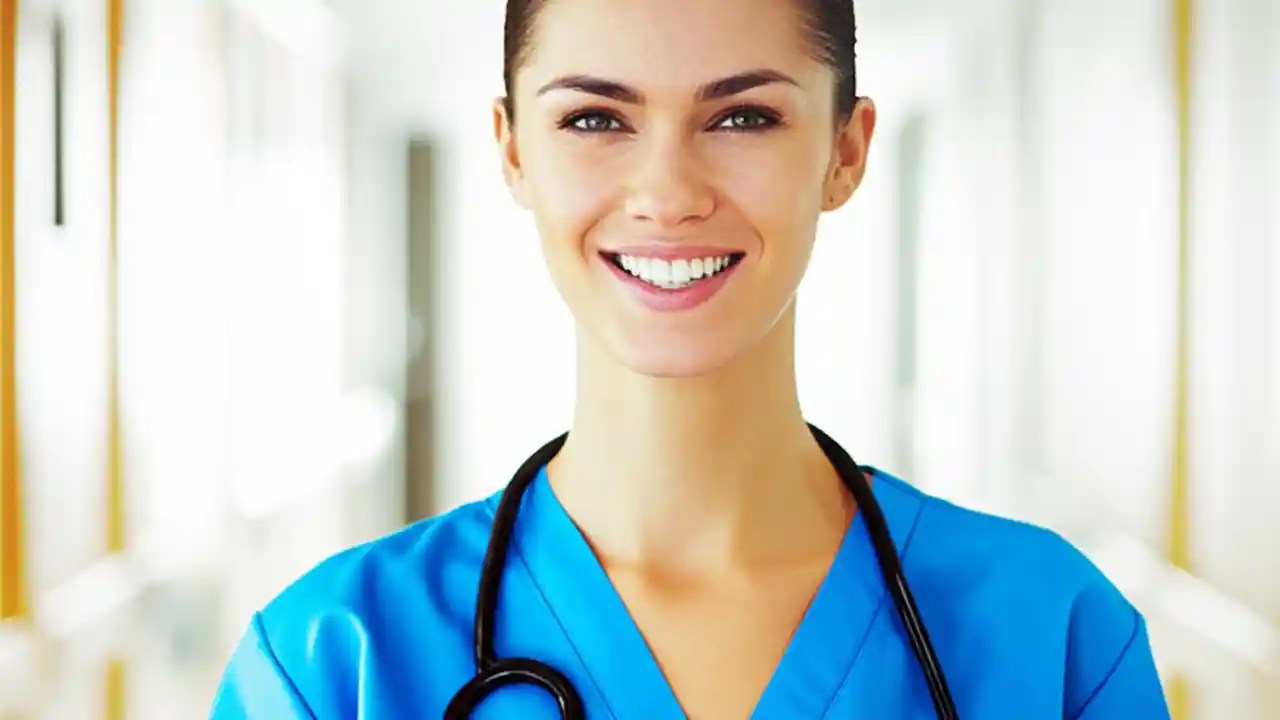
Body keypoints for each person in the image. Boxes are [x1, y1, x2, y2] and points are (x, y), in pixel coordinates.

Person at [210, 0, 1171, 717]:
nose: (666, 193)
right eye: (594, 119)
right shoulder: (334, 660)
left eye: (743, 117)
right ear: (512, 150)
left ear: (846, 149)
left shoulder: (1054, 638)